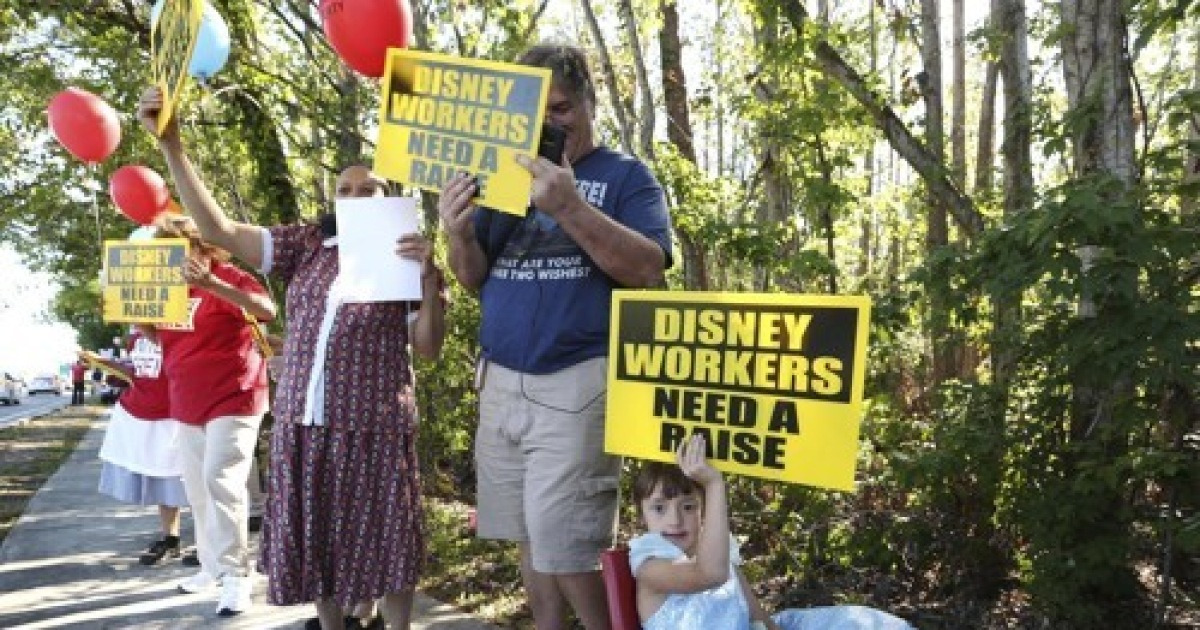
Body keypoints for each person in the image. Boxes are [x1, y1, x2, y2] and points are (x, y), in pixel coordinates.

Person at [137, 86, 448, 630]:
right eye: (345, 190)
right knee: (317, 538)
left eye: (368, 189)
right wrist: (172, 146)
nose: (355, 197)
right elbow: (218, 231)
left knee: (388, 540)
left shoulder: (405, 260)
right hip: (304, 426)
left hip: (373, 426)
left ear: (387, 197)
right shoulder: (306, 245)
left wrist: (429, 277)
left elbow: (426, 347)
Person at [436, 43, 674, 629]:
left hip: (577, 382)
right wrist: (457, 233)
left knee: (568, 546)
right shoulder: (501, 176)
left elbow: (647, 269)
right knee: (528, 538)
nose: (549, 124)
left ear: (589, 101)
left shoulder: (625, 176)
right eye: (536, 114)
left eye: (562, 107)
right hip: (501, 381)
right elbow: (473, 278)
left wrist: (569, 207)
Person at [630, 436, 915, 630]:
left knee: (869, 624)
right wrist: (715, 484)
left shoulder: (719, 552)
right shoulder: (651, 567)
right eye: (659, 508)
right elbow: (709, 575)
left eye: (689, 506)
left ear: (704, 509)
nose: (675, 520)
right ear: (641, 513)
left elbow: (759, 619)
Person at [146, 214, 276, 617]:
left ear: (203, 248)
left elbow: (266, 309)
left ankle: (237, 576)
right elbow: (166, 336)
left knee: (221, 480)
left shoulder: (229, 275)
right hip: (186, 399)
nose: (173, 258)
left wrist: (212, 284)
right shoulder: (166, 288)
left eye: (179, 249)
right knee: (198, 488)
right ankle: (211, 566)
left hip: (234, 394)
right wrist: (137, 317)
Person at [92, 333, 189, 566]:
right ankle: (171, 539)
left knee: (193, 479)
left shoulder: (180, 330)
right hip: (141, 411)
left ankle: (210, 542)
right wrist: (105, 364)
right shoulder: (135, 338)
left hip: (178, 411)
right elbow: (137, 373)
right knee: (162, 477)